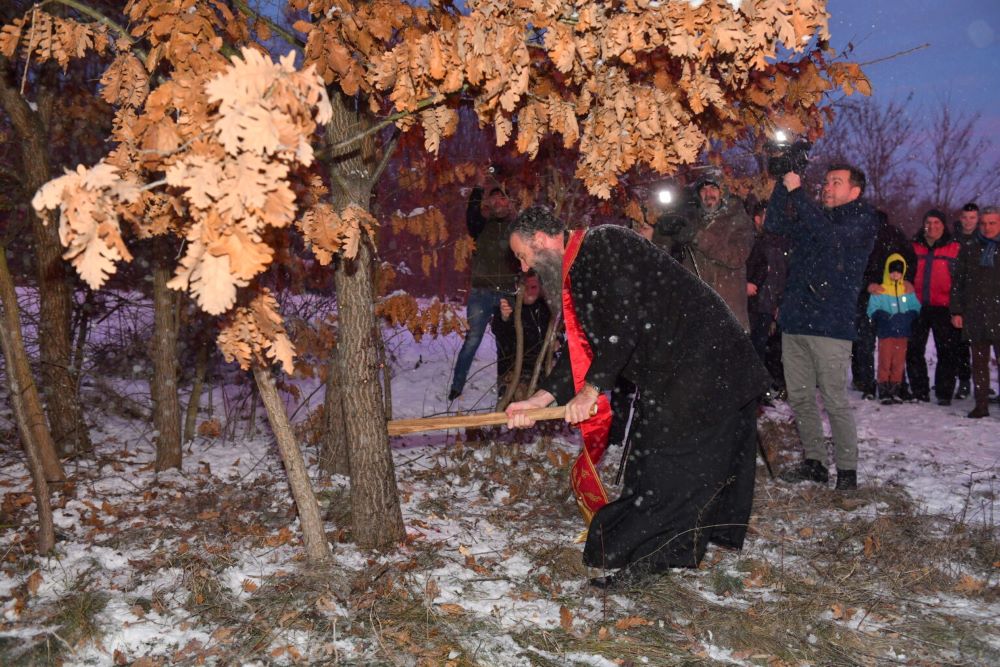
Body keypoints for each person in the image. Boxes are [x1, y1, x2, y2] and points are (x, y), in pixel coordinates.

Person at [504, 207, 769, 588]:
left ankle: (653, 561)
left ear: (542, 240)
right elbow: (584, 348)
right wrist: (539, 400)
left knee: (669, 467)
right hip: (679, 372)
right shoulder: (580, 268)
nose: (526, 267)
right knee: (651, 465)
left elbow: (623, 322)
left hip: (705, 363)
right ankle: (649, 548)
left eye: (522, 254)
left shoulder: (606, 244)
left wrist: (592, 389)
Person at [765, 163, 879, 491]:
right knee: (800, 398)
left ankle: (846, 473)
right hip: (796, 321)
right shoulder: (815, 216)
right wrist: (781, 183)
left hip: (831, 325)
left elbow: (831, 241)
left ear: (854, 191)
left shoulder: (863, 220)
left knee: (833, 399)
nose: (827, 187)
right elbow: (774, 223)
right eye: (827, 182)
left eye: (836, 183)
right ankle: (814, 463)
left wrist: (798, 192)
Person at [447, 170, 519, 401]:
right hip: (481, 292)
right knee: (473, 340)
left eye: (503, 198)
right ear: (489, 202)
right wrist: (479, 187)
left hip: (508, 292)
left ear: (510, 203)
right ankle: (457, 386)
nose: (499, 202)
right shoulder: (481, 227)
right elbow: (471, 214)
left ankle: (504, 387)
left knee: (506, 341)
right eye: (494, 198)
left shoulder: (517, 228)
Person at [653, 173, 755, 330]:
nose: (708, 194)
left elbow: (736, 257)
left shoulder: (739, 220)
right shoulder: (690, 219)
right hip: (696, 311)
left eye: (713, 188)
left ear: (722, 192)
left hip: (728, 313)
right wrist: (663, 229)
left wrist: (697, 236)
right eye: (703, 190)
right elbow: (661, 256)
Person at [851, 210, 913, 400]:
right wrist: (867, 285)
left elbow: (909, 261)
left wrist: (907, 281)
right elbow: (851, 270)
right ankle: (874, 383)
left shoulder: (892, 236)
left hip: (888, 296)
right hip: (871, 297)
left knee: (884, 343)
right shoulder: (861, 238)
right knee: (871, 343)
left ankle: (886, 383)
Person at [906, 209, 962, 406]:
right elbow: (905, 273)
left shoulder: (954, 247)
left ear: (943, 225)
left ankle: (944, 392)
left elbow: (961, 280)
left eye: (937, 222)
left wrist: (958, 308)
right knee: (913, 349)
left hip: (944, 307)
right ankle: (920, 390)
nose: (932, 226)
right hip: (917, 306)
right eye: (928, 222)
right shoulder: (914, 246)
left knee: (946, 351)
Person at [950, 206, 1000, 418]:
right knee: (979, 364)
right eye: (984, 223)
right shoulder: (970, 248)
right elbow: (958, 282)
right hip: (976, 314)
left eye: (992, 223)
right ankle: (981, 405)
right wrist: (957, 311)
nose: (987, 227)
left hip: (998, 313)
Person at [745, 200, 788, 398]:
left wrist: (778, 303)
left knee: (772, 349)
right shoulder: (748, 239)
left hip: (770, 304)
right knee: (755, 347)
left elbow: (781, 275)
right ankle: (757, 391)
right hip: (754, 302)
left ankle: (769, 387)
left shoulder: (779, 242)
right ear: (757, 219)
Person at [866, 255, 920, 404]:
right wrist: (882, 315)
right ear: (887, 272)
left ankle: (895, 390)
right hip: (886, 332)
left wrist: (909, 315)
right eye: (892, 271)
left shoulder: (906, 289)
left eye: (898, 271)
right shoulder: (881, 290)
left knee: (898, 362)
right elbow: (872, 308)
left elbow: (916, 306)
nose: (895, 274)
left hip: (902, 333)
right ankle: (883, 390)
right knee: (885, 361)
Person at [492, 271, 551, 402]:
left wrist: (556, 339)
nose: (529, 292)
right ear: (517, 286)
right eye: (525, 287)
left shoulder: (545, 307)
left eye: (534, 287)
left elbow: (555, 332)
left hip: (541, 369)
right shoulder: (509, 305)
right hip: (515, 372)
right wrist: (504, 318)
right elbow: (499, 332)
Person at [952, 202, 980, 400]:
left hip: (981, 299)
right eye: (965, 217)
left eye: (972, 218)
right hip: (958, 296)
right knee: (960, 345)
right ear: (960, 218)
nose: (968, 222)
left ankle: (982, 384)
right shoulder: (953, 239)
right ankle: (963, 381)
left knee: (982, 346)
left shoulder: (986, 238)